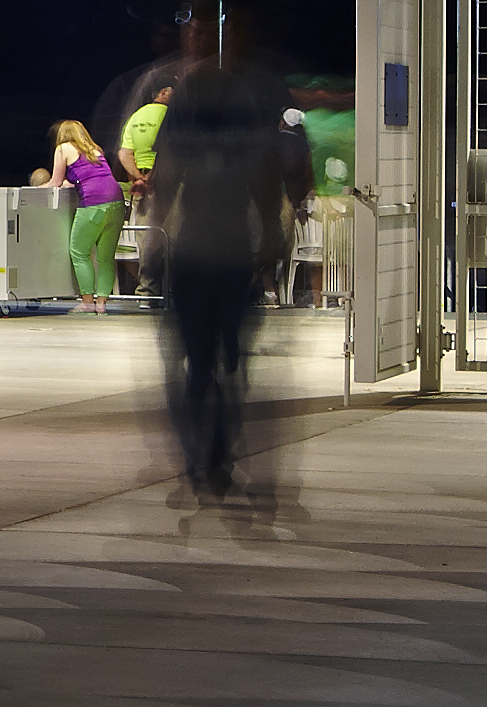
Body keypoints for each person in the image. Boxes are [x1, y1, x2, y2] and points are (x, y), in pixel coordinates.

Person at [140, 36, 313, 509]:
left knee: (198, 365)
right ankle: (215, 452)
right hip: (233, 257)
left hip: (197, 257)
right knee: (230, 361)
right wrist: (272, 245)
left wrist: (155, 242)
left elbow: (165, 184)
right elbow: (264, 184)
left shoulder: (186, 133)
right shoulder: (249, 136)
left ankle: (203, 455)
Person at [43, 116, 121, 307]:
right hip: (117, 203)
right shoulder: (96, 150)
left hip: (93, 204)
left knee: (79, 252)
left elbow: (55, 182)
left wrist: (36, 188)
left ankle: (87, 301)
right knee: (105, 257)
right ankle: (102, 302)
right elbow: (89, 176)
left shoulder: (63, 148)